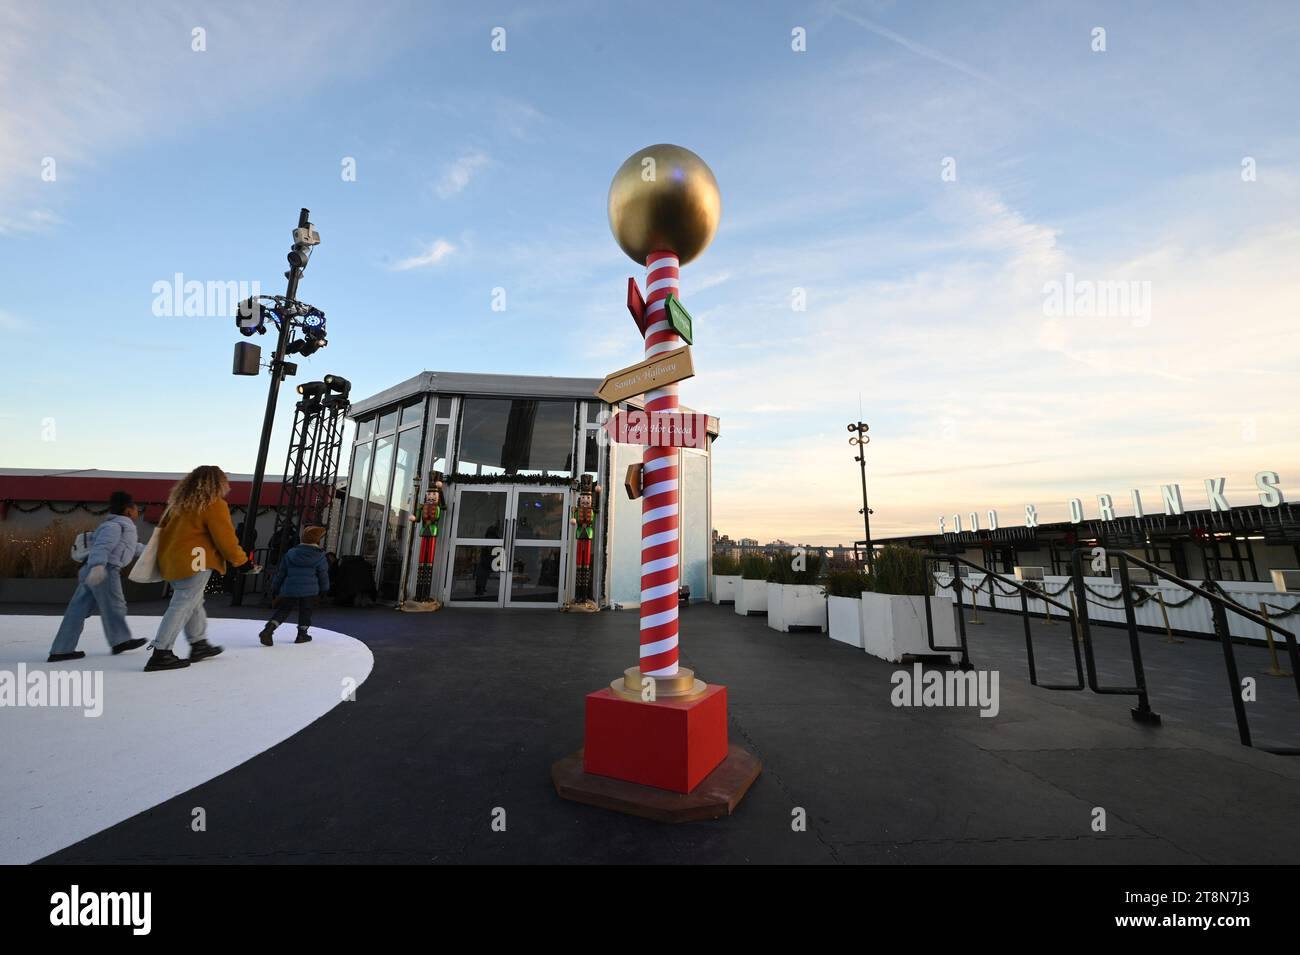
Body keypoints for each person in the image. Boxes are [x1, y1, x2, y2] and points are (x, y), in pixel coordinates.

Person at [144, 466, 258, 672]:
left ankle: (199, 644)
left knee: (193, 601)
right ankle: (161, 652)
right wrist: (241, 562)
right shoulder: (213, 504)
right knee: (184, 603)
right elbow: (226, 539)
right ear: (217, 483)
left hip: (172, 561)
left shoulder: (177, 505)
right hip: (197, 561)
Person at [48, 491, 148, 662]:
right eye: (136, 508)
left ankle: (61, 650)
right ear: (128, 510)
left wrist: (152, 552)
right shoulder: (115, 527)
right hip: (104, 570)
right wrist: (98, 566)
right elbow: (101, 547)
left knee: (77, 610)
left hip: (92, 569)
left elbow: (132, 547)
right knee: (115, 605)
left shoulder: (117, 526)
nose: (138, 511)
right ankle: (120, 640)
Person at [260, 525, 329, 645]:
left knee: (284, 609)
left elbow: (281, 573)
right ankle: (302, 634)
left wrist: (275, 588)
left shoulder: (291, 553)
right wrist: (324, 589)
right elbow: (323, 574)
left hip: (290, 588)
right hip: (309, 590)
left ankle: (269, 629)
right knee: (306, 611)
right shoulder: (319, 556)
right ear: (317, 540)